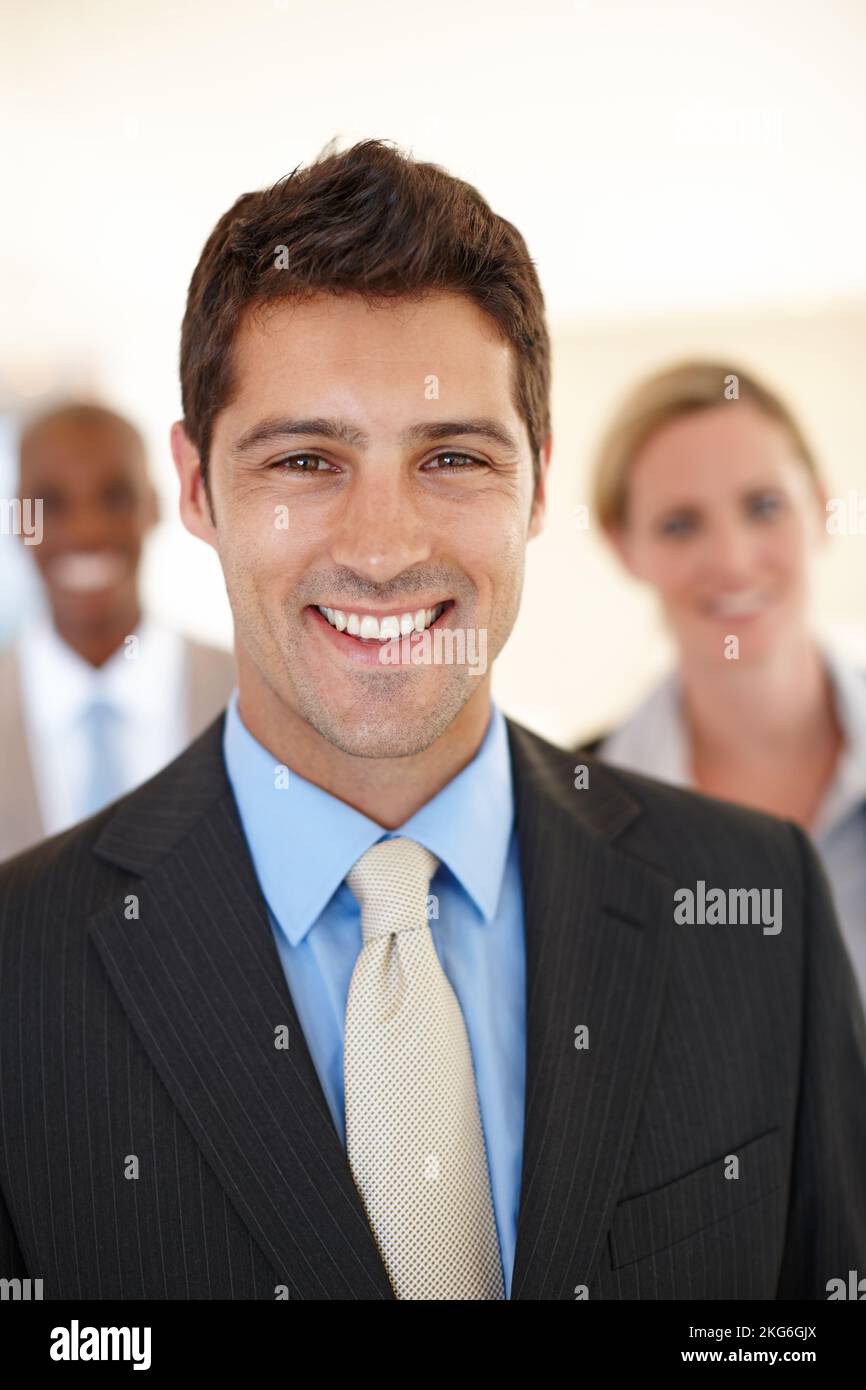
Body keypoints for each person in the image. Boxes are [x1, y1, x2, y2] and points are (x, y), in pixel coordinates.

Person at [0, 143, 863, 1302]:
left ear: (538, 487)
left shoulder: (757, 900)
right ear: (199, 487)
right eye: (305, 458)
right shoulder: (22, 967)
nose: (383, 548)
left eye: (451, 455)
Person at [584, 360, 866, 1012]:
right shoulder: (573, 819)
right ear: (624, 546)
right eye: (680, 524)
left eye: (764, 506)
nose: (734, 560)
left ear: (822, 509)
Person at [0, 401, 235, 860]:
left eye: (115, 497)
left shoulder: (249, 693)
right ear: (17, 522)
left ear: (153, 507)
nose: (86, 531)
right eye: (50, 503)